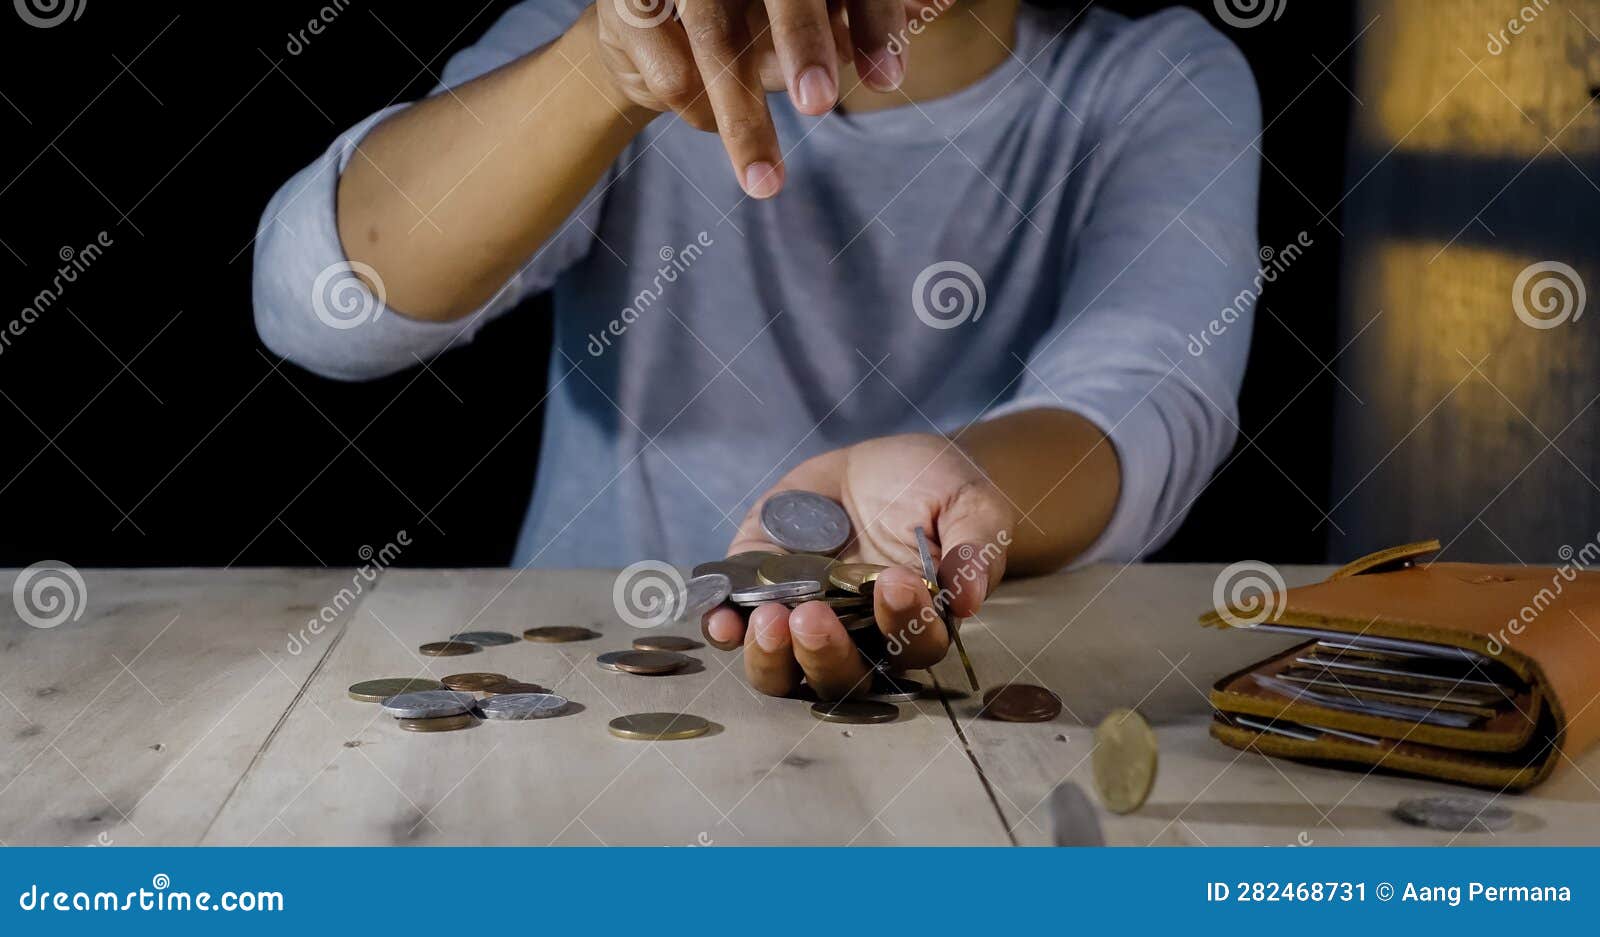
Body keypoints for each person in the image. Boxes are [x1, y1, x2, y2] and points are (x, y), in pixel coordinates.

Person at [252, 0, 1261, 699]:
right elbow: (322, 311)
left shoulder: (1157, 77)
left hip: (974, 699)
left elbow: (1147, 401)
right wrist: (604, 71)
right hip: (579, 683)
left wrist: (961, 489)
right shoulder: (618, 24)